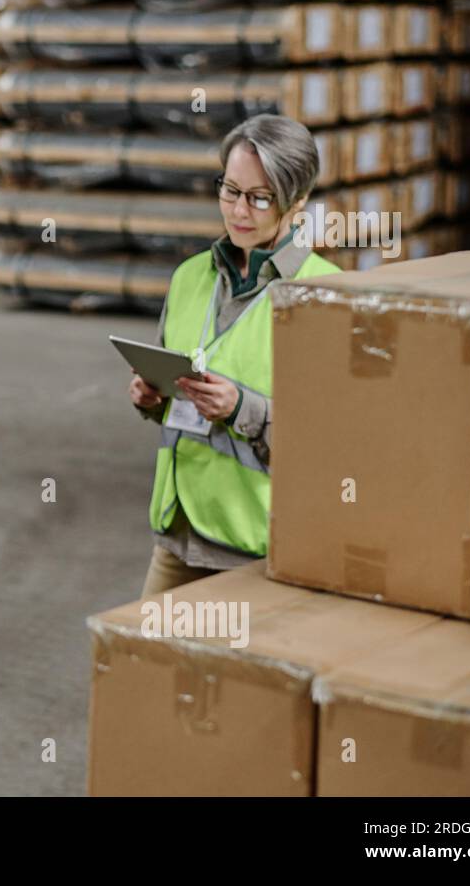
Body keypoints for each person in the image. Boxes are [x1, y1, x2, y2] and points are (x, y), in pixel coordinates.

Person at [129, 114, 340, 598]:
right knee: (148, 670)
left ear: (299, 201)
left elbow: (336, 441)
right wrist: (152, 397)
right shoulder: (189, 277)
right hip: (178, 533)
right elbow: (174, 400)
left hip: (262, 548)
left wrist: (244, 410)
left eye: (260, 197)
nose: (239, 211)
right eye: (230, 190)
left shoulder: (324, 294)